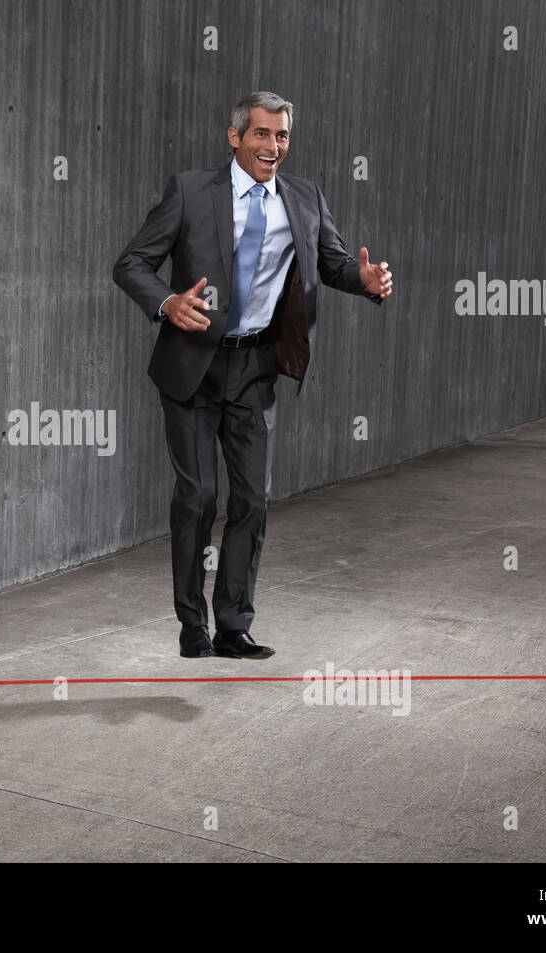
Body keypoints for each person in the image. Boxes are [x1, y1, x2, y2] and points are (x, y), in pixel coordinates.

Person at [112, 91, 393, 660]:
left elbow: (332, 262)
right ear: (236, 136)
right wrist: (167, 302)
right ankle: (192, 624)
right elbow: (131, 263)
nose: (273, 146)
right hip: (193, 362)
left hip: (255, 366)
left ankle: (233, 624)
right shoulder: (191, 191)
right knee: (198, 497)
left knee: (253, 500)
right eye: (262, 134)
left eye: (282, 136)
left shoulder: (305, 197)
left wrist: (361, 279)